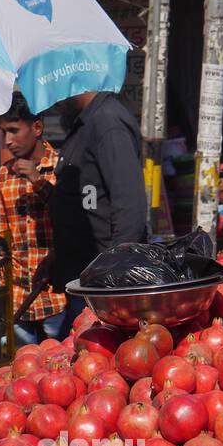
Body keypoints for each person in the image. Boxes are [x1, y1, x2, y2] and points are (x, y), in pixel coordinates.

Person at [49, 91, 148, 319]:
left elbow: (130, 207)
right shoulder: (86, 122)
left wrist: (113, 272)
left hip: (103, 288)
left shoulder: (108, 122)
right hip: (82, 278)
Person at [0, 92, 65, 345]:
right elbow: (2, 234)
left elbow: (68, 217)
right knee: (24, 369)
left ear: (36, 127)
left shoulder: (61, 166)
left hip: (55, 294)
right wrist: (4, 282)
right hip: (18, 295)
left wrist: (37, 179)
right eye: (4, 133)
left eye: (13, 131)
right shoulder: (5, 173)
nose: (8, 141)